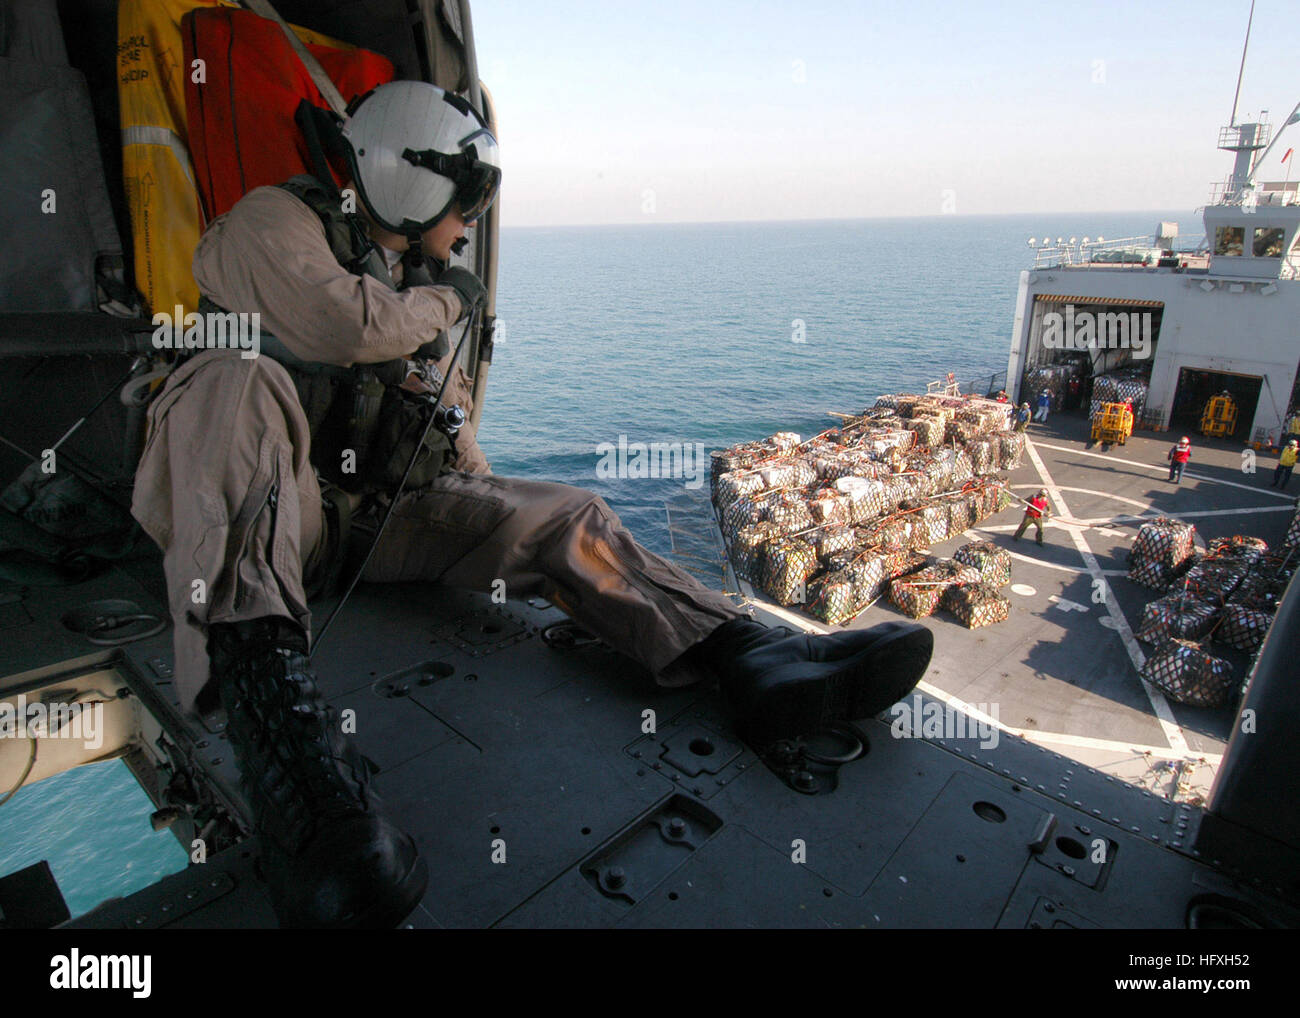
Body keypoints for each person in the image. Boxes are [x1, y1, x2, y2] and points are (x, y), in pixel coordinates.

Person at [130, 81, 932, 928]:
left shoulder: (398, 282)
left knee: (566, 517)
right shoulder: (272, 226)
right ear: (413, 181)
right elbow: (344, 327)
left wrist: (492, 502)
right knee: (234, 382)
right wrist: (450, 300)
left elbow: (435, 417)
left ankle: (743, 654)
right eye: (466, 199)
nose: (471, 222)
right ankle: (296, 778)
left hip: (358, 525)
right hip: (264, 523)